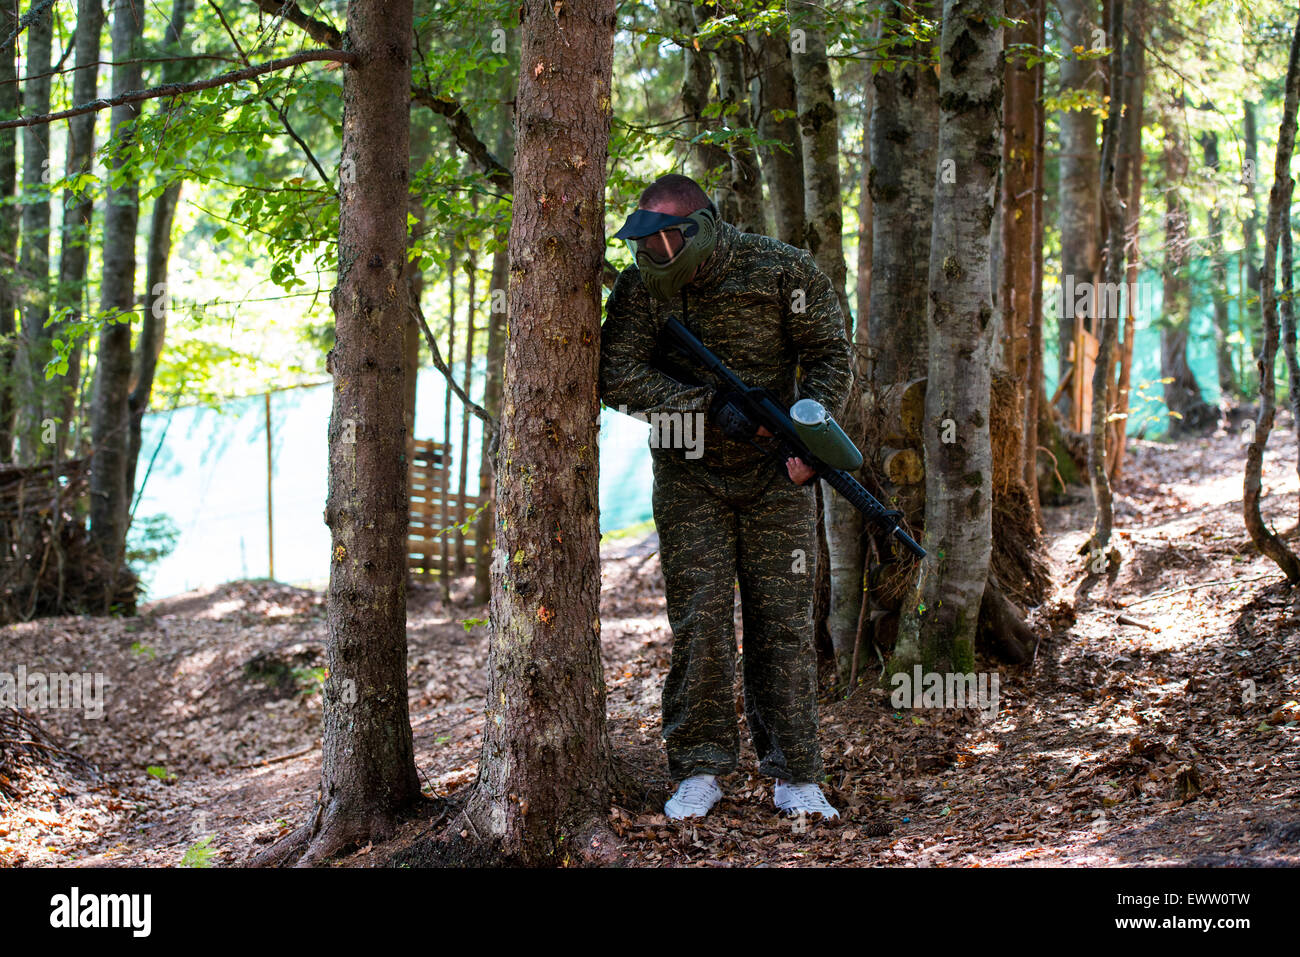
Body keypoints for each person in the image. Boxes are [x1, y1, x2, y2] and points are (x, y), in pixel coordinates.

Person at [598, 173, 851, 821]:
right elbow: (616, 372)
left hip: (777, 478)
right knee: (701, 624)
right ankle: (699, 768)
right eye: (643, 245)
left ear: (701, 228)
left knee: (784, 627)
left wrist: (809, 437)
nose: (650, 257)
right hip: (689, 477)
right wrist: (706, 408)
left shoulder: (781, 270)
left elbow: (829, 352)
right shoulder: (641, 291)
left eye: (662, 244)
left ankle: (796, 773)